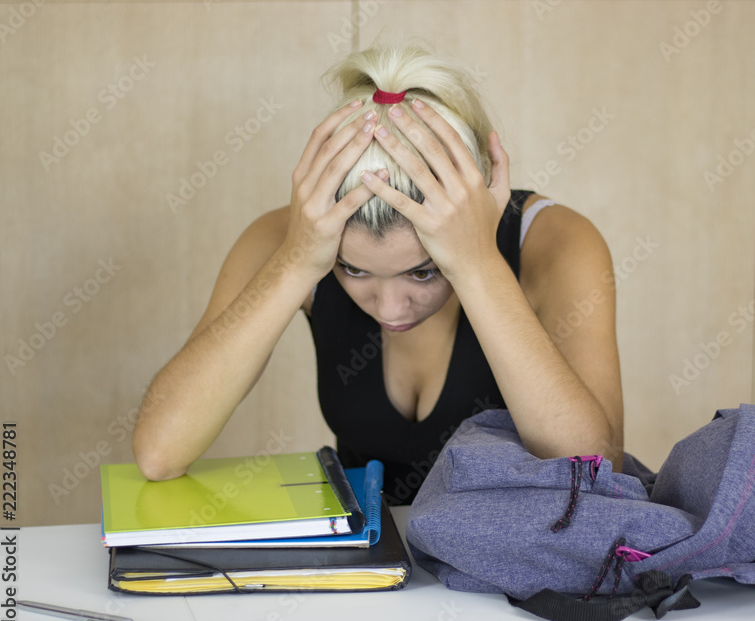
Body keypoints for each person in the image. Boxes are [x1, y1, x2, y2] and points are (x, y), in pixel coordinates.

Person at [132, 44, 623, 504]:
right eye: (352, 269)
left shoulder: (556, 244)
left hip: (513, 577)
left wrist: (477, 264)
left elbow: (594, 473)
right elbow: (159, 453)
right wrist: (297, 262)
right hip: (371, 574)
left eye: (424, 273)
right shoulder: (287, 241)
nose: (389, 309)